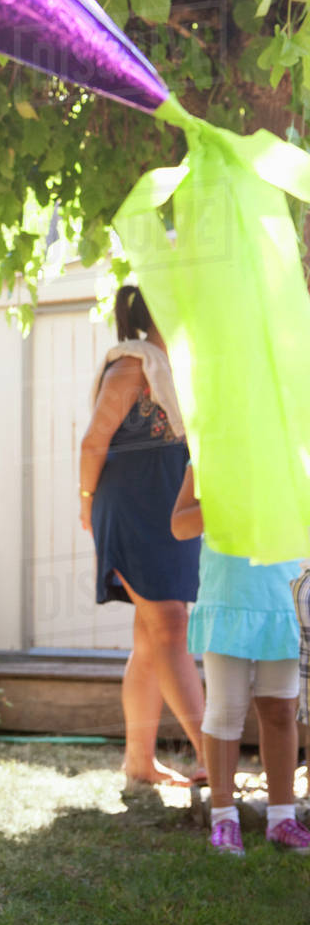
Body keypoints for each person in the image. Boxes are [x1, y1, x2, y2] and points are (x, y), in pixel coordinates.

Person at [79, 285, 204, 788]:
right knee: (171, 625)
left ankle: (138, 762)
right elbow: (93, 442)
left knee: (152, 637)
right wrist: (85, 503)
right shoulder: (133, 364)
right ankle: (212, 757)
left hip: (170, 509)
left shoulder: (182, 367)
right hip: (131, 509)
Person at [172, 465, 309, 855]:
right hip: (227, 599)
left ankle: (282, 819)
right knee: (225, 710)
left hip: (283, 599)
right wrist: (228, 503)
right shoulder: (209, 457)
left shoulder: (295, 453)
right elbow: (180, 525)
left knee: (280, 710)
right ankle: (223, 818)